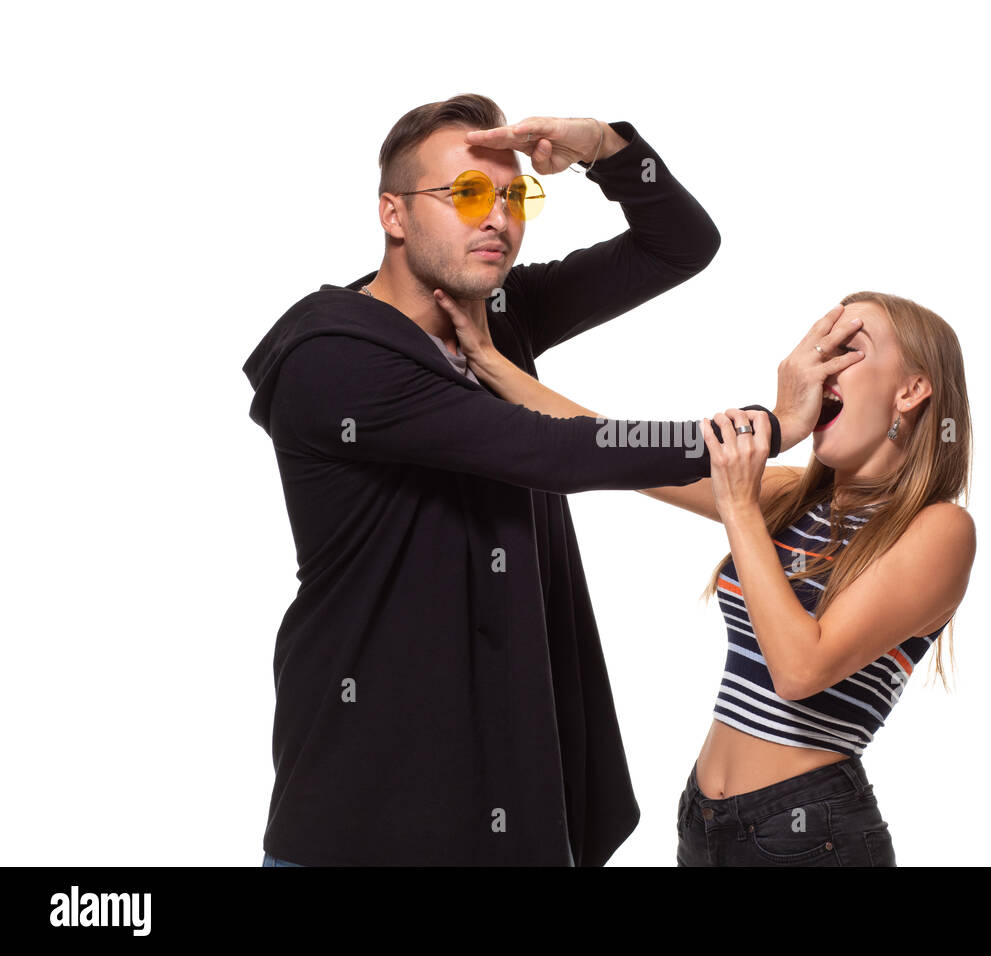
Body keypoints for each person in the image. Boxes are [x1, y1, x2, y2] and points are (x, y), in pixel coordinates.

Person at [241, 93, 795, 866]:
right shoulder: (334, 359)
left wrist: (605, 147)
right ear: (392, 214)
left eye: (513, 194)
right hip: (362, 803)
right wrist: (764, 428)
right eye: (466, 194)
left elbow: (680, 245)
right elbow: (554, 452)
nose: (497, 217)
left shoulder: (496, 315)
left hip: (509, 778)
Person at [439, 289, 976, 866]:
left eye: (849, 348)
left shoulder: (940, 529)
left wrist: (740, 505)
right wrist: (491, 362)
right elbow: (611, 443)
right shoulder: (798, 498)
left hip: (809, 836)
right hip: (705, 823)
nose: (822, 365)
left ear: (912, 390)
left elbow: (800, 669)